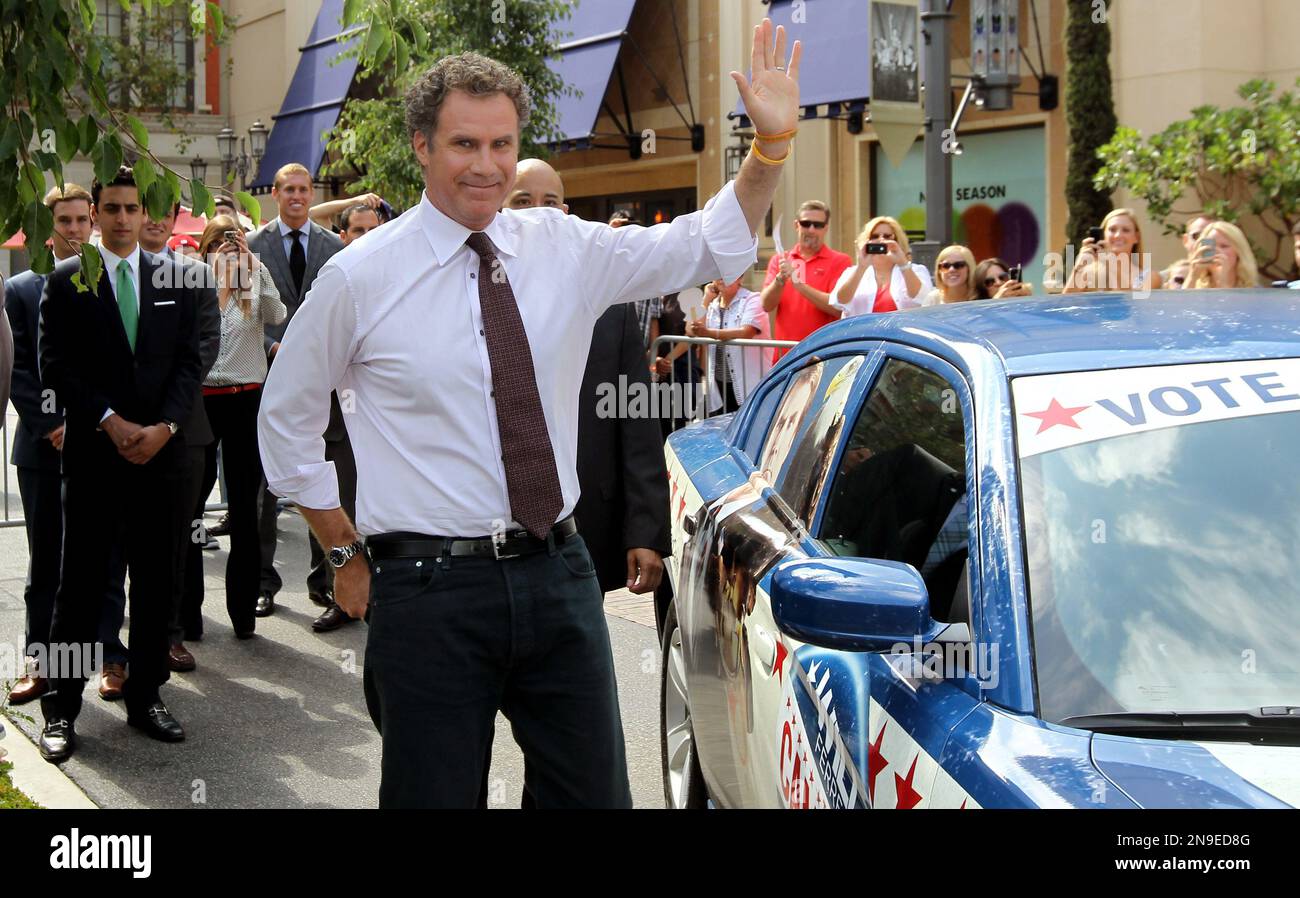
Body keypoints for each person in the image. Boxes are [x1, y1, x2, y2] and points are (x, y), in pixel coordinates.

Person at [257, 22, 798, 808]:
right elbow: (286, 420)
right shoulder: (359, 278)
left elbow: (703, 246)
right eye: (463, 144)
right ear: (420, 146)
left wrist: (769, 149)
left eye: (502, 144)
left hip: (559, 573)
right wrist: (342, 553)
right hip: (426, 591)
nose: (486, 165)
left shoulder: (561, 247)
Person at [36, 166, 205, 762]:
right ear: (98, 214)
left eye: (133, 208)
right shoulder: (66, 280)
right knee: (77, 590)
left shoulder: (180, 279)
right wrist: (110, 420)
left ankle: (147, 696)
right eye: (113, 209)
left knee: (158, 584)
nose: (124, 218)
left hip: (162, 461)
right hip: (94, 460)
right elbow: (55, 364)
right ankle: (60, 707)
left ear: (145, 213)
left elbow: (193, 361)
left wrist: (165, 428)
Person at [5, 184, 131, 705]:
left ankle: (109, 656)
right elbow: (17, 368)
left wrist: (93, 422)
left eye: (83, 220)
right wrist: (53, 423)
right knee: (48, 562)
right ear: (47, 227)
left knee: (105, 558)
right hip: (42, 450)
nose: (75, 230)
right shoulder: (19, 290)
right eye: (65, 221)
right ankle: (44, 660)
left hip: (100, 446)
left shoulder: (112, 285)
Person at [246, 163, 350, 630]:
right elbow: (241, 310)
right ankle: (264, 585)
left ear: (312, 194)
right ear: (275, 193)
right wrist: (272, 344)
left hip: (322, 384)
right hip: (266, 378)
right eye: (287, 189)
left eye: (303, 190)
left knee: (321, 480)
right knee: (265, 491)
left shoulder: (332, 246)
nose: (295, 197)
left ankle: (325, 583)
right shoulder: (252, 247)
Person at [189, 215, 286, 639]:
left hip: (247, 399)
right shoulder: (192, 283)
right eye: (220, 244)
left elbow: (277, 313)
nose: (228, 249)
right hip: (204, 400)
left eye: (235, 242)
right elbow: (212, 342)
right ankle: (187, 612)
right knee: (191, 509)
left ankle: (243, 610)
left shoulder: (253, 277)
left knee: (246, 507)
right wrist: (221, 283)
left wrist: (255, 268)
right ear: (206, 248)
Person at [138, 202, 222, 674]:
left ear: (173, 221)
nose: (150, 220)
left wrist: (165, 419)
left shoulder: (194, 276)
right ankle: (113, 650)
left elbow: (203, 348)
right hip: (116, 432)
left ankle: (170, 635)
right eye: (140, 209)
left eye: (160, 212)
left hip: (183, 430)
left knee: (176, 542)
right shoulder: (100, 274)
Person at [760, 199, 852, 362]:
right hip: (787, 357)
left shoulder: (840, 261)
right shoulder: (780, 260)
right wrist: (780, 280)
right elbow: (766, 305)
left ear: (826, 228)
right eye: (806, 223)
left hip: (823, 354)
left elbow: (837, 308)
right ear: (797, 225)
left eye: (817, 225)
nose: (811, 229)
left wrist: (799, 285)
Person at [692, 276, 769, 413]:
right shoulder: (712, 305)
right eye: (718, 274)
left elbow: (746, 332)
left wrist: (710, 333)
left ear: (741, 279)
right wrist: (706, 299)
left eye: (729, 274)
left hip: (749, 384)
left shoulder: (753, 299)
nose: (723, 278)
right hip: (719, 384)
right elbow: (691, 330)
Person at [833, 215, 933, 316]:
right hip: (863, 331)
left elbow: (923, 298)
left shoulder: (916, 270)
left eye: (887, 236)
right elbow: (839, 302)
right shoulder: (851, 273)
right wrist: (861, 267)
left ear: (898, 241)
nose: (881, 240)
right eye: (874, 236)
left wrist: (903, 263)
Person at [1063, 207, 1162, 293]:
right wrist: (1079, 267)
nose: (1118, 235)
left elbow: (1132, 306)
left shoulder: (1149, 276)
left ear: (1136, 237)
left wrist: (1112, 264)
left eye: (1126, 230)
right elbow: (1066, 306)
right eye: (1112, 230)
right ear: (1103, 234)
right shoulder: (1088, 272)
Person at [1180, 220, 1260, 289]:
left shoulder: (1253, 292)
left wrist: (1223, 283)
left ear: (1238, 252)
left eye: (1224, 246)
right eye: (1211, 245)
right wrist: (1192, 277)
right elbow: (1180, 305)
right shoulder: (1195, 286)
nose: (1216, 251)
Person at [1162, 214, 1217, 283]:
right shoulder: (1166, 279)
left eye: (1211, 237)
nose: (1202, 242)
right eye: (1197, 236)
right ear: (1185, 240)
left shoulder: (1231, 276)